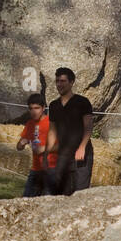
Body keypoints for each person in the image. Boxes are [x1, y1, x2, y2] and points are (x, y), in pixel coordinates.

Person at [47, 67, 94, 195]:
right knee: (61, 193)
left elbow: (88, 126)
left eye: (62, 81)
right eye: (57, 81)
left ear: (71, 82)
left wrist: (82, 147)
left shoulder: (83, 102)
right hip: (62, 155)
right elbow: (52, 131)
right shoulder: (53, 105)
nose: (59, 84)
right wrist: (49, 151)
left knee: (80, 193)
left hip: (82, 155)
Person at [17, 93, 53, 197]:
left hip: (51, 170)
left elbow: (62, 146)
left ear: (43, 108)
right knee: (25, 202)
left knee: (49, 203)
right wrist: (21, 143)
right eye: (31, 108)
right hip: (36, 169)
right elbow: (18, 147)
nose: (34, 111)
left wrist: (44, 149)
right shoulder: (29, 124)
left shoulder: (51, 123)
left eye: (37, 108)